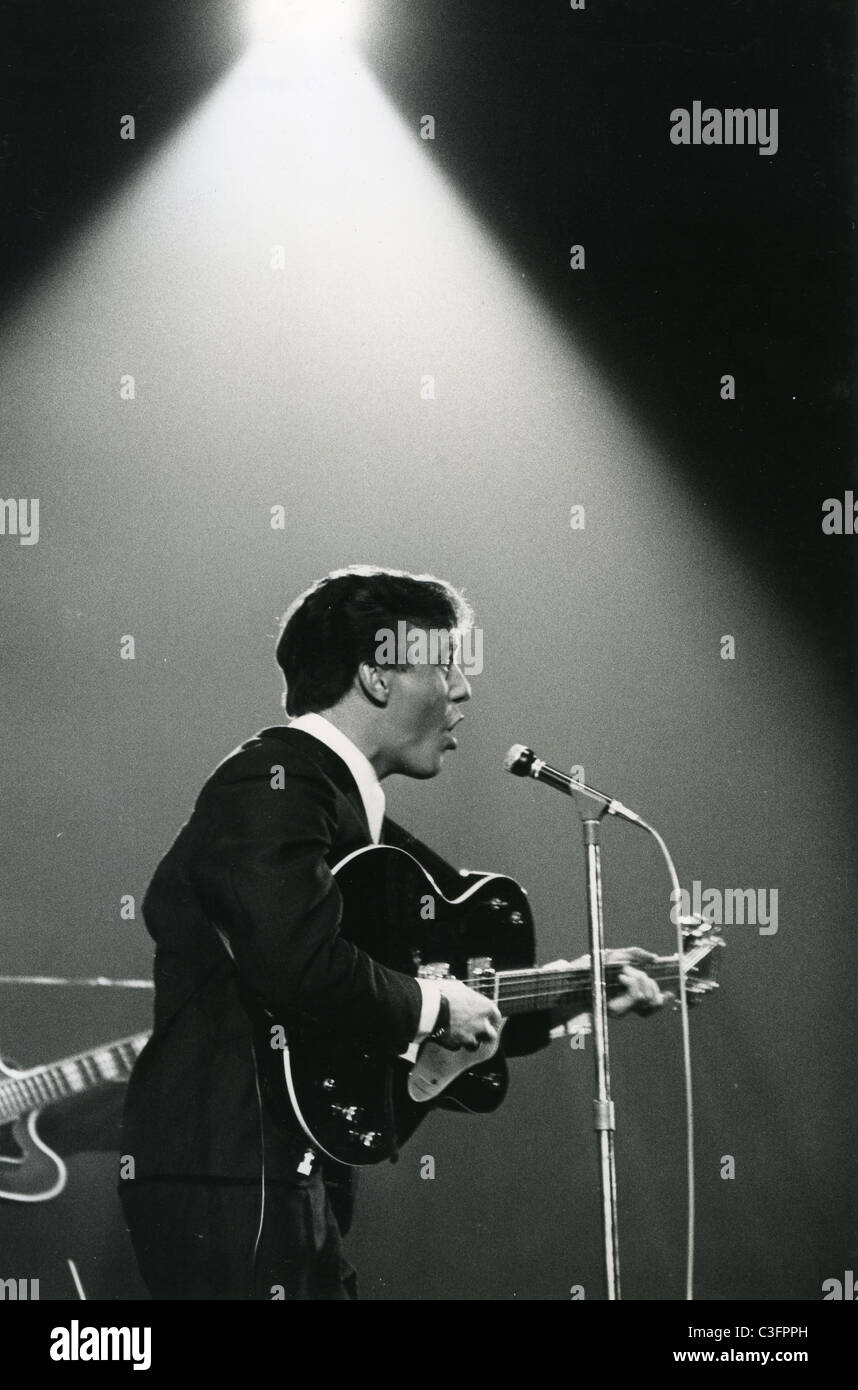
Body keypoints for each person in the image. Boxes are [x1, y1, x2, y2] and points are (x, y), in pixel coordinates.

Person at [119, 565, 665, 1300]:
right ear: (377, 676)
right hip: (228, 1169)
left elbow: (415, 983)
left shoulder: (348, 811)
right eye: (444, 666)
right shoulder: (271, 782)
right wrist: (440, 1008)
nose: (463, 691)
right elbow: (301, 963)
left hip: (287, 1174)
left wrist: (579, 990)